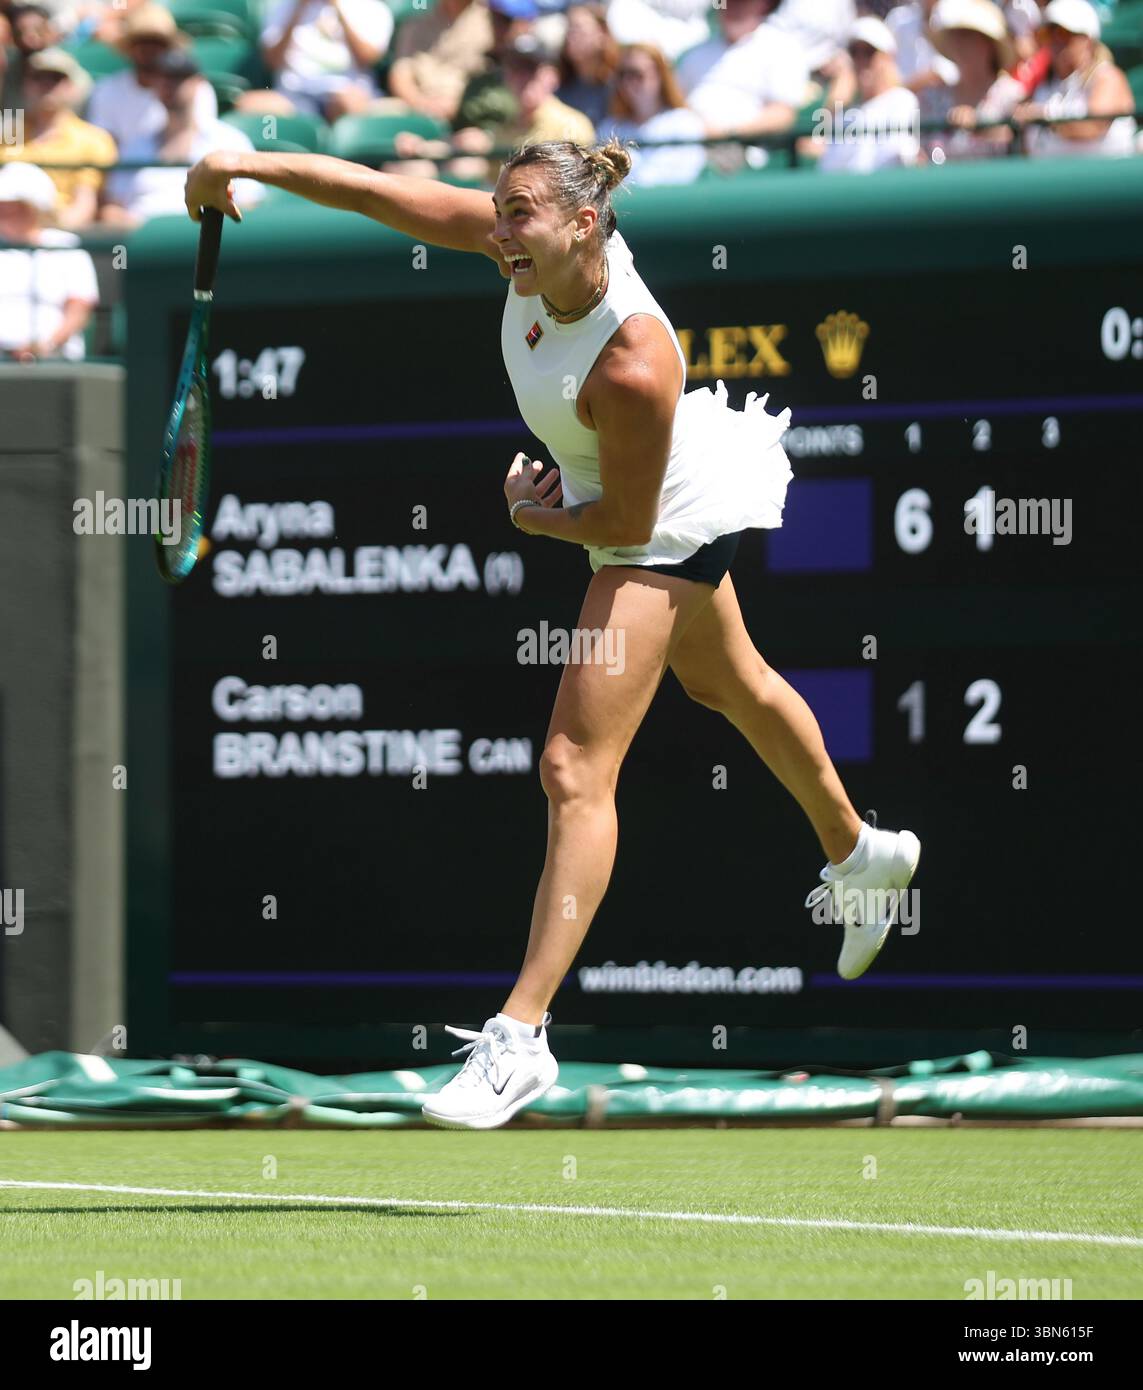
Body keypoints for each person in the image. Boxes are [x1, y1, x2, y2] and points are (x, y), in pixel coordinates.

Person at [183, 134, 922, 1130]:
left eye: (520, 212)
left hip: (658, 513)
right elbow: (369, 190)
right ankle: (862, 851)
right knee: (732, 683)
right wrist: (243, 162)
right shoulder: (517, 250)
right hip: (629, 495)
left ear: (585, 223)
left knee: (574, 765)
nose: (500, 229)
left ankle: (521, 1033)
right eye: (499, 210)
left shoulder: (632, 361)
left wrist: (536, 518)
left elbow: (622, 526)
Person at [101, 47, 263, 226]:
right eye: (162, 77)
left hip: (205, 240)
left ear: (198, 82)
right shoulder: (136, 144)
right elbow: (111, 207)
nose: (168, 84)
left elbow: (250, 203)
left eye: (178, 77)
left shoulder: (229, 140)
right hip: (144, 242)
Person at [675, 0, 811, 170]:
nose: (732, 8)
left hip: (747, 153)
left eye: (741, 3)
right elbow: (676, 103)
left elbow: (782, 115)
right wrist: (698, 129)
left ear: (763, 4)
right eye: (726, 2)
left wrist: (729, 134)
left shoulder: (782, 48)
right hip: (689, 148)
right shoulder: (693, 54)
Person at [0, 46, 116, 228]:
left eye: (55, 79)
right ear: (26, 85)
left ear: (71, 87)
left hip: (59, 235)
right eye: (38, 78)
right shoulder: (8, 133)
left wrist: (50, 235)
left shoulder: (93, 139)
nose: (46, 85)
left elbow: (84, 203)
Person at [0, 159, 98, 360]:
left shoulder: (67, 245)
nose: (5, 211)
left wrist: (44, 347)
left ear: (34, 208)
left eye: (15, 205)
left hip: (54, 362)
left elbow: (79, 308)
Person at [85, 3, 217, 151]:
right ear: (129, 48)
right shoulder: (106, 91)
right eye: (141, 42)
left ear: (169, 47)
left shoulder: (194, 89)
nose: (149, 50)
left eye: (157, 42)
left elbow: (201, 141)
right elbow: (104, 148)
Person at [1016, 0, 1135, 158]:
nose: (1055, 41)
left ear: (1087, 40)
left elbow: (1092, 126)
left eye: (1064, 33)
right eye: (1048, 34)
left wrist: (1045, 116)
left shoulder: (1107, 77)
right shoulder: (1041, 87)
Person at [249, 0, 395, 121]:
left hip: (345, 93)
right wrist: (298, 10)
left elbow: (367, 59)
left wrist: (337, 7)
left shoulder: (373, 8)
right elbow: (271, 62)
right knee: (251, 104)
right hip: (293, 96)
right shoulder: (282, 5)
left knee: (350, 103)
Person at [811, 16, 920, 171]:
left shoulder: (902, 101)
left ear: (888, 57)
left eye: (869, 53)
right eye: (855, 53)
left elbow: (894, 157)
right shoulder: (845, 116)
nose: (861, 61)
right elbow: (828, 170)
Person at [925, 0, 1023, 159]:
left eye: (968, 35)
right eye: (955, 35)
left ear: (989, 44)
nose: (959, 43)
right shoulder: (933, 98)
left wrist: (980, 126)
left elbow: (1020, 141)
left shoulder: (1012, 95)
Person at [602, 42, 705, 186]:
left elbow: (686, 175)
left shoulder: (684, 122)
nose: (627, 82)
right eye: (622, 74)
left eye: (636, 73)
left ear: (660, 76)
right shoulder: (609, 128)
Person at [557, 3, 620, 129]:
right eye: (569, 29)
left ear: (602, 34)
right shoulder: (559, 88)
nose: (571, 36)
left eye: (578, 29)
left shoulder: (619, 86)